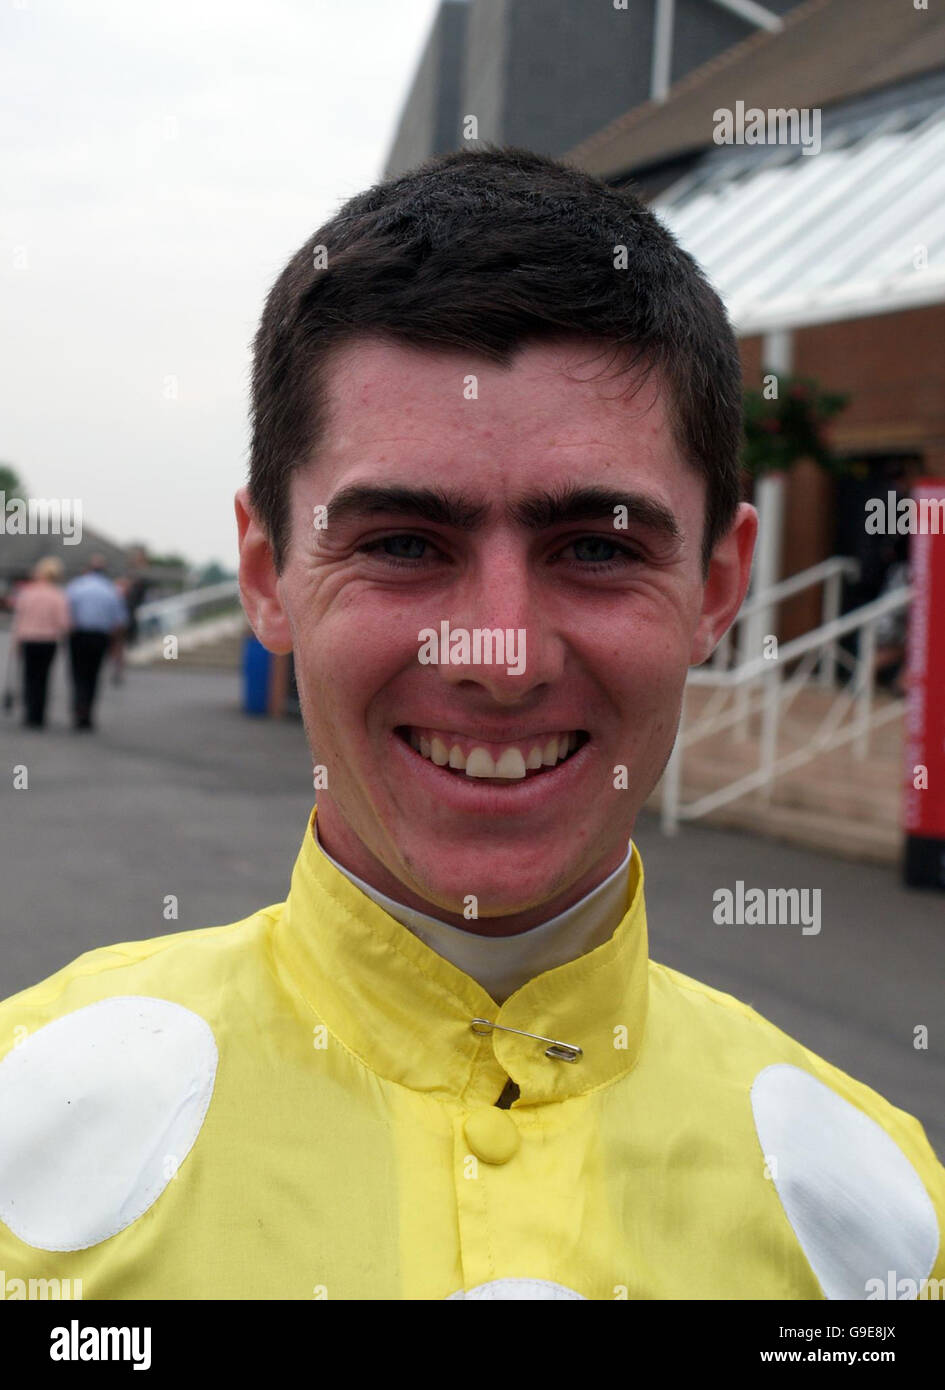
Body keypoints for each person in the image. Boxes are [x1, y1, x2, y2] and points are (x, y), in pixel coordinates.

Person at [0, 149, 941, 1301]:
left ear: (717, 584)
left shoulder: (894, 1218)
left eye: (597, 548)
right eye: (403, 543)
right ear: (265, 576)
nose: (501, 655)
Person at [64, 554, 128, 729]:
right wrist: (117, 646)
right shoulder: (111, 590)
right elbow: (119, 621)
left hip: (78, 635)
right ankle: (87, 714)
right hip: (100, 637)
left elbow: (66, 613)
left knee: (78, 674)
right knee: (93, 675)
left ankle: (78, 709)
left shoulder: (76, 586)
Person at [9, 556, 71, 727]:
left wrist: (16, 641)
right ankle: (39, 714)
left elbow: (18, 620)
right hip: (48, 641)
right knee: (43, 677)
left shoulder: (27, 593)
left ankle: (29, 711)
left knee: (29, 675)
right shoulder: (57, 595)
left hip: (29, 638)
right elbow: (64, 623)